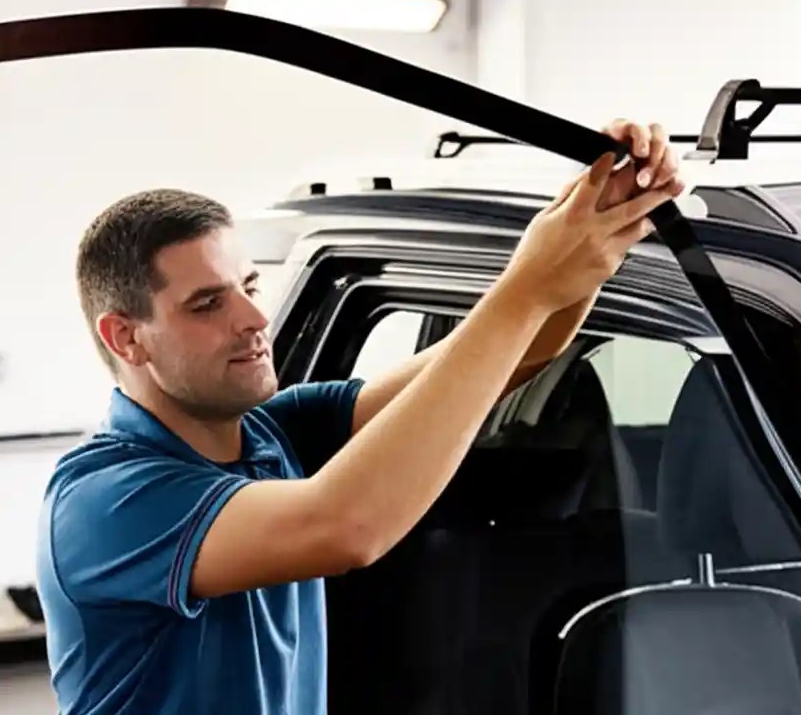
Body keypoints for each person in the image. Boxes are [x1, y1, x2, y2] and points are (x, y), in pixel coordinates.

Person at [35, 119, 685, 715]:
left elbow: (515, 355)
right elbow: (346, 526)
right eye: (208, 304)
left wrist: (599, 225)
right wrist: (529, 282)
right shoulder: (104, 501)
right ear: (127, 338)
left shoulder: (278, 429)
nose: (256, 321)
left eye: (250, 287)